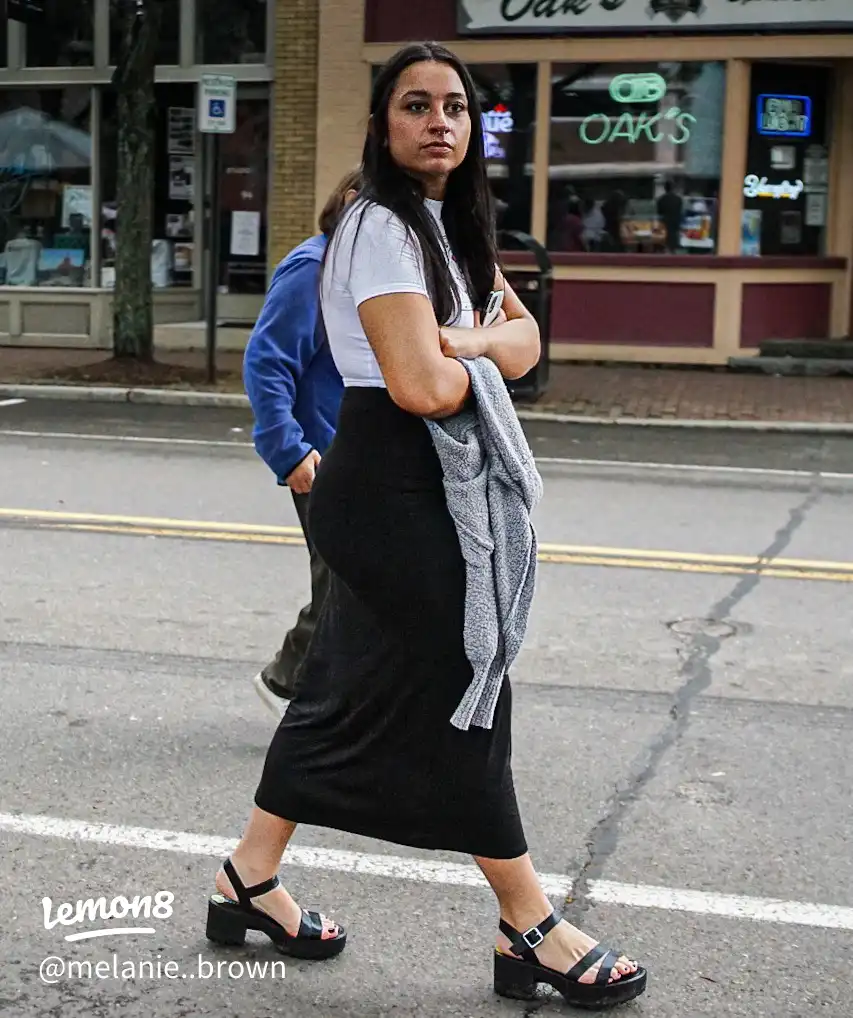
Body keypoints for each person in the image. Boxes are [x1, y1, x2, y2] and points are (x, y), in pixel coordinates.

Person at [206, 41, 647, 1010]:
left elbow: (521, 343)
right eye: (415, 104)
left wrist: (472, 341)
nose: (438, 120)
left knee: (336, 687)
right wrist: (473, 352)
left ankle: (247, 878)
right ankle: (526, 923)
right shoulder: (377, 228)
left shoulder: (451, 228)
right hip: (386, 486)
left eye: (454, 105)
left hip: (425, 483)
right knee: (469, 678)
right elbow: (421, 384)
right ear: (381, 125)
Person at [242, 169, 362, 718]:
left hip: (364, 454)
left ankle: (335, 696)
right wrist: (288, 451)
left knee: (360, 585)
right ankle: (287, 683)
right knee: (344, 588)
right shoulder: (314, 268)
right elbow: (267, 363)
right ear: (353, 202)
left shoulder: (363, 273)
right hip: (322, 457)